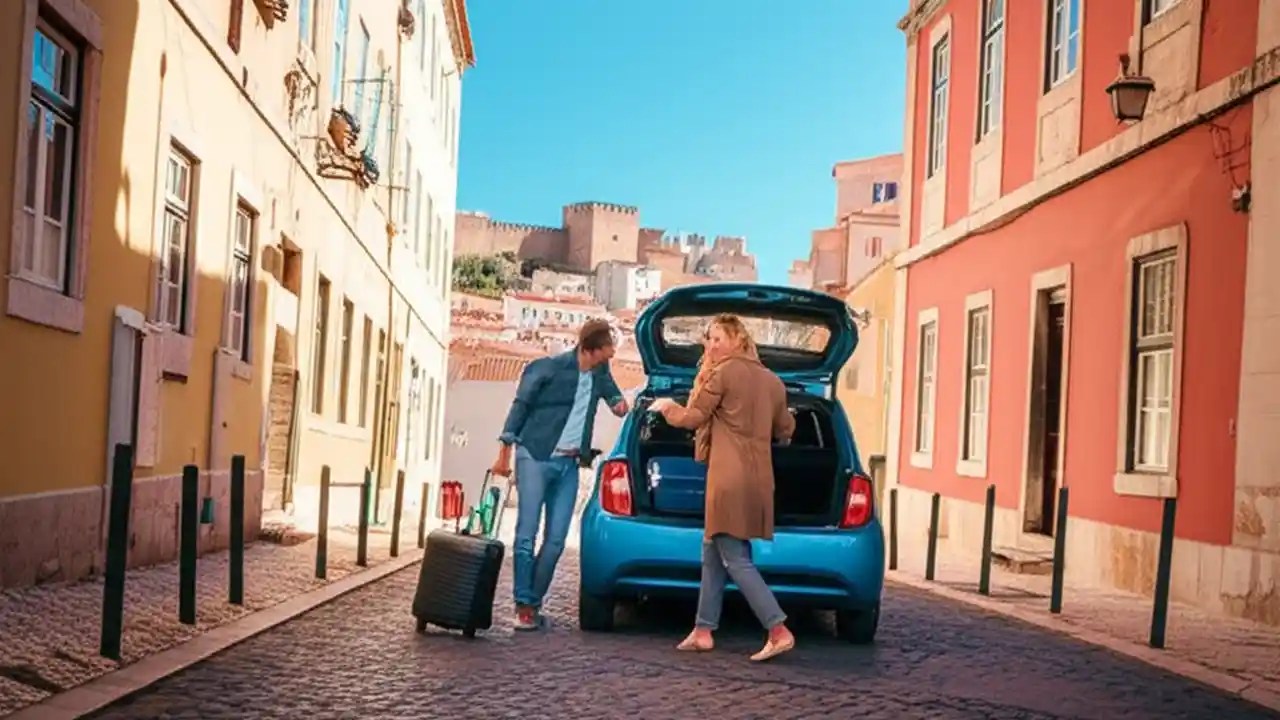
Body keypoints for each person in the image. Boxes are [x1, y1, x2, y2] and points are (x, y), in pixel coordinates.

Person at [650, 313, 797, 662]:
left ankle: (777, 629)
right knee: (712, 551)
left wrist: (668, 407)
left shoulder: (722, 373)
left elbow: (693, 417)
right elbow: (786, 429)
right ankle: (703, 630)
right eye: (709, 338)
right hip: (759, 479)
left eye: (719, 339)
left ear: (738, 342)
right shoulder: (773, 381)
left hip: (727, 479)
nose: (712, 345)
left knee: (734, 556)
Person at [492, 318, 629, 630]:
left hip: (568, 464)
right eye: (607, 351)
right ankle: (523, 606)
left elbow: (618, 405)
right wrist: (503, 454)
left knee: (556, 540)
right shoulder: (547, 368)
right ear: (591, 348)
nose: (611, 357)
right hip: (534, 455)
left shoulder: (600, 373)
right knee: (526, 534)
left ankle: (532, 602)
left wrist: (633, 405)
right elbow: (519, 410)